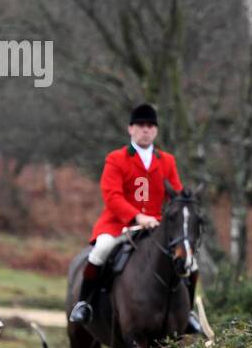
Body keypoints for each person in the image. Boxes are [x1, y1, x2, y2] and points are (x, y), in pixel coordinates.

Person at [69, 102, 200, 332]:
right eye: (140, 125)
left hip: (157, 226)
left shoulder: (167, 161)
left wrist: (180, 205)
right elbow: (112, 195)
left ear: (156, 131)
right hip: (119, 224)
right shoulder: (116, 159)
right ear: (131, 129)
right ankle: (84, 304)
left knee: (191, 262)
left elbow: (175, 194)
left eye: (150, 126)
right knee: (100, 250)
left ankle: (187, 314)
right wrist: (137, 217)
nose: (145, 129)